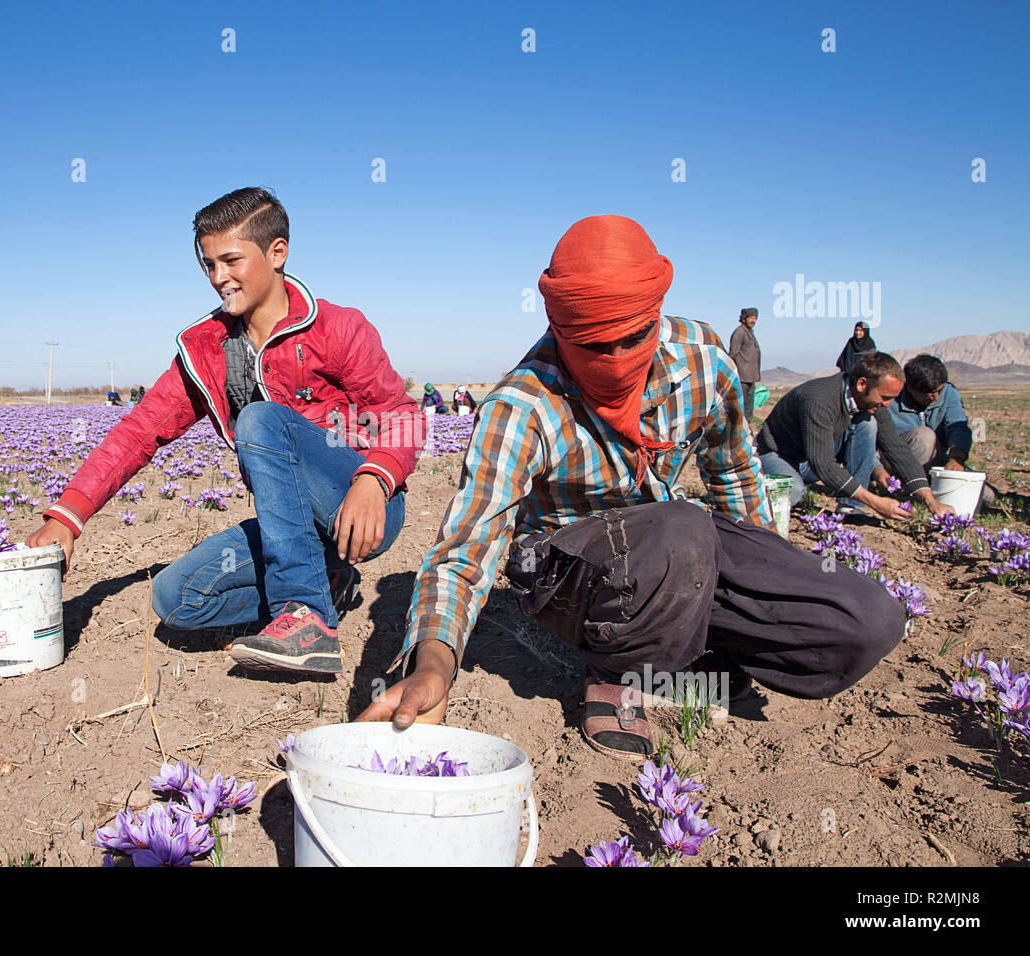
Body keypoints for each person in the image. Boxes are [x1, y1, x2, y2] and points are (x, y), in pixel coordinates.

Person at [360, 215, 908, 760]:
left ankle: (686, 656)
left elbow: (736, 474)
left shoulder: (703, 360)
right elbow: (465, 551)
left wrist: (766, 576)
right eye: (594, 346)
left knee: (865, 620)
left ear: (657, 313)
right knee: (681, 530)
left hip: (673, 553)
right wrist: (433, 663)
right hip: (567, 573)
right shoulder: (522, 404)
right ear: (559, 328)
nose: (617, 361)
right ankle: (618, 674)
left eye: (635, 338)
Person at [26, 187, 419, 674]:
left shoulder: (337, 328)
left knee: (260, 417)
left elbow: (400, 412)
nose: (218, 277)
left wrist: (372, 481)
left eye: (230, 260)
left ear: (277, 252)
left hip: (362, 502)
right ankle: (329, 582)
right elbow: (138, 431)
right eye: (208, 264)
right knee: (177, 599)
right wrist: (68, 517)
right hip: (294, 523)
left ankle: (307, 618)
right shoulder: (207, 349)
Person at [756, 351, 956, 521]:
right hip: (777, 455)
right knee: (793, 492)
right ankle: (753, 485)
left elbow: (897, 449)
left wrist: (931, 501)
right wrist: (875, 501)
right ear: (862, 384)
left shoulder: (870, 403)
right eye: (885, 397)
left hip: (811, 459)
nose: (887, 405)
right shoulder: (819, 400)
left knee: (868, 425)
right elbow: (823, 464)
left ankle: (849, 507)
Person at [874, 354, 995, 508]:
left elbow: (958, 427)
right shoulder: (892, 398)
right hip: (896, 461)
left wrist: (957, 457)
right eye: (930, 393)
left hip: (934, 462)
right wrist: (877, 471)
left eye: (939, 390)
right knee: (925, 437)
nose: (936, 397)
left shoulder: (948, 393)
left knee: (986, 497)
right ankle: (908, 492)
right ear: (910, 387)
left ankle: (929, 490)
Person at [728, 308, 761, 421]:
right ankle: (741, 428)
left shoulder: (749, 332)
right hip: (742, 375)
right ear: (744, 319)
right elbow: (732, 354)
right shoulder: (739, 332)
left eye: (755, 318)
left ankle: (748, 426)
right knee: (742, 404)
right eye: (751, 318)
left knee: (749, 406)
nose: (753, 320)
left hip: (750, 376)